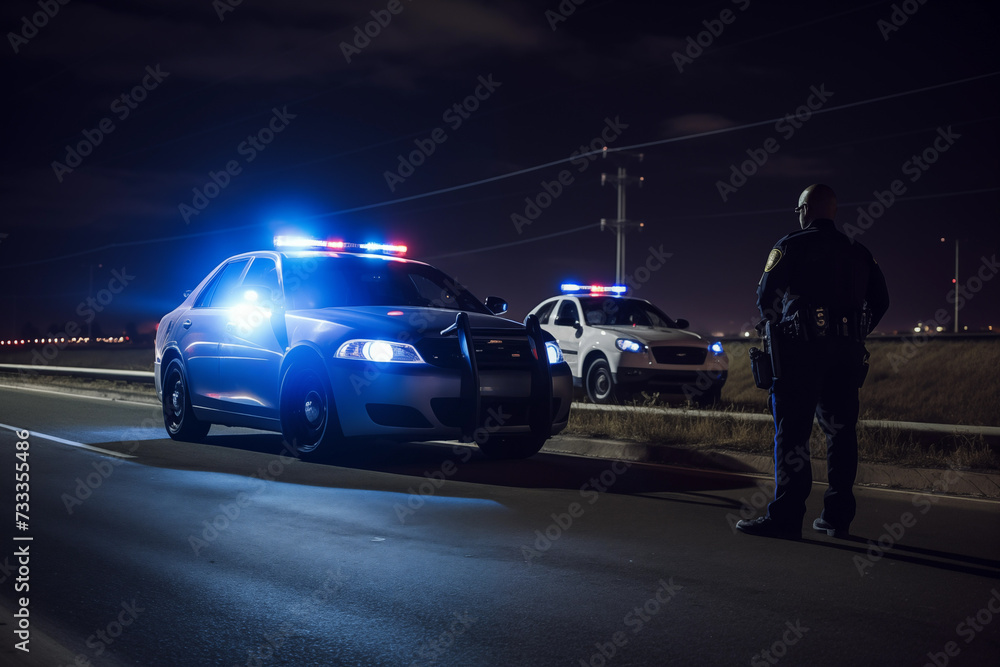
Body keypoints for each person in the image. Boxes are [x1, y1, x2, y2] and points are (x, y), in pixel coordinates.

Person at [737, 184, 889, 539]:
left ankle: (787, 518)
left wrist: (782, 328)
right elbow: (880, 301)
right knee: (841, 433)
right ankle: (837, 517)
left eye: (799, 209)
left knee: (792, 436)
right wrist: (856, 332)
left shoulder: (791, 244)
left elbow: (765, 297)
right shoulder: (859, 252)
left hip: (800, 355)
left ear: (805, 209)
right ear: (832, 212)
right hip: (846, 354)